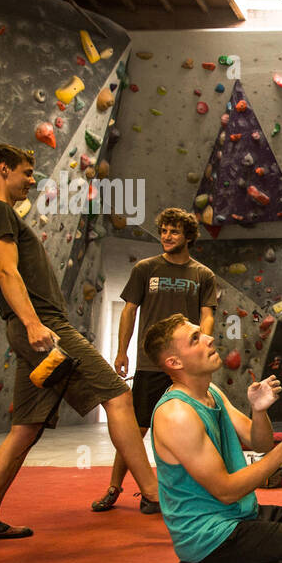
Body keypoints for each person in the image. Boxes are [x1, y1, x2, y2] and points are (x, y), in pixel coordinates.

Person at [0, 144, 160, 543]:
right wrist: (34, 323)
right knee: (119, 396)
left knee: (25, 428)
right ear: (3, 171)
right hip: (44, 329)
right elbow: (6, 271)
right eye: (26, 171)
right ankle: (156, 495)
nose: (32, 180)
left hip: (32, 329)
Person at [144, 313, 282, 563]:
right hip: (210, 533)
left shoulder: (211, 392)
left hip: (238, 514)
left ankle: (225, 562)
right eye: (195, 339)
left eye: (201, 333)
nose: (209, 338)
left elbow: (259, 442)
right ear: (175, 362)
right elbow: (226, 491)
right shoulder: (177, 414)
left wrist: (259, 411)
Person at [92, 208, 217, 513]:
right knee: (135, 431)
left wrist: (199, 349)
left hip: (185, 366)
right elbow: (128, 311)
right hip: (151, 364)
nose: (166, 236)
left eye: (173, 231)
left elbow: (207, 315)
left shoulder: (202, 274)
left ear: (188, 236)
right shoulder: (145, 269)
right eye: (163, 231)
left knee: (195, 428)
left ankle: (195, 492)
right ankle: (114, 487)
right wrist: (121, 351)